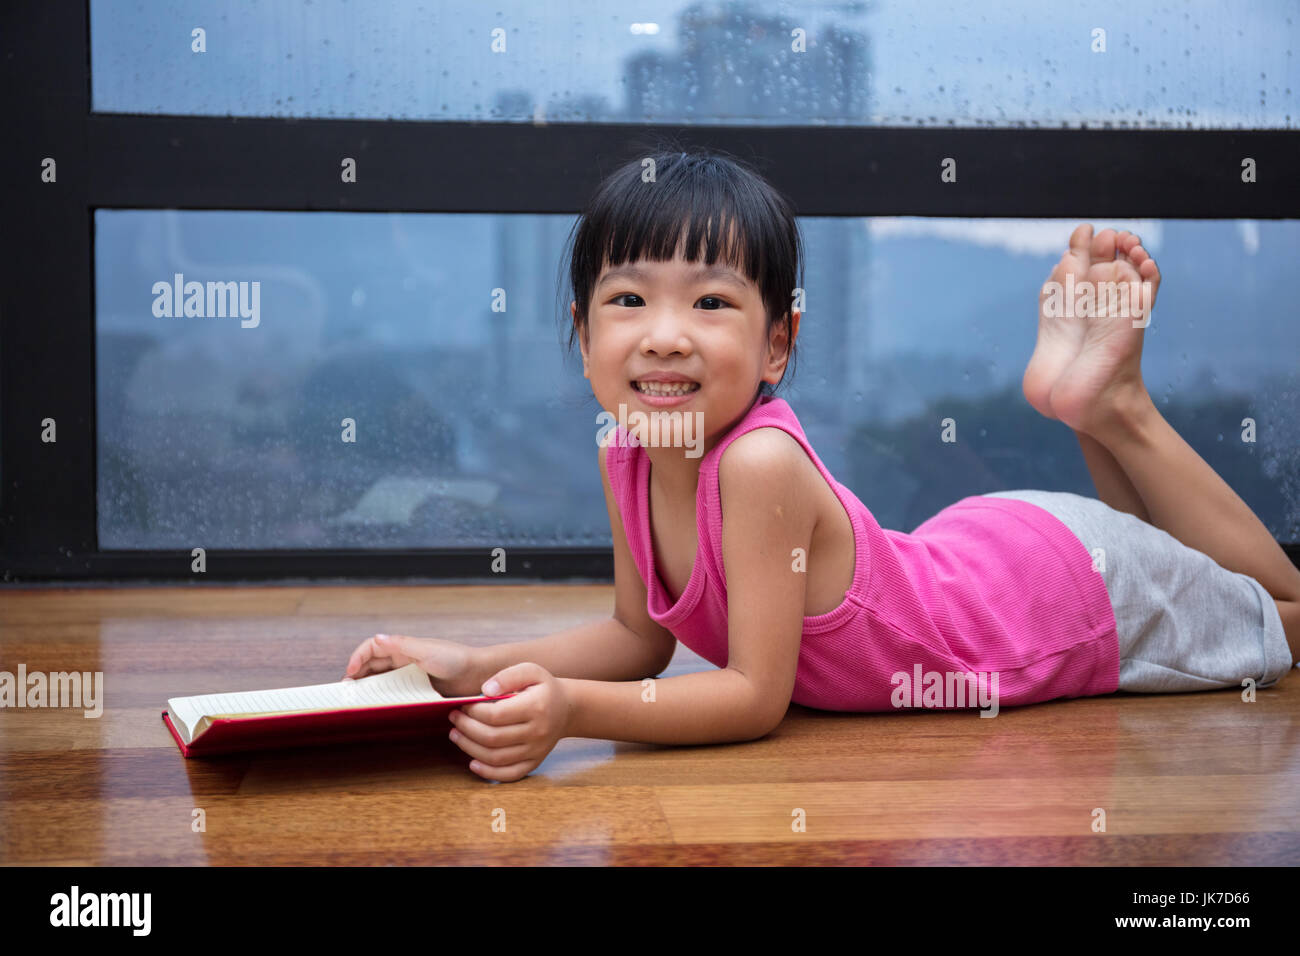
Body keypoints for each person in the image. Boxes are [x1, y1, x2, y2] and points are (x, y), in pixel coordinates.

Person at [343, 146, 1300, 782]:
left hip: (1043, 607)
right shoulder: (629, 451)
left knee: (1289, 619)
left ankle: (1116, 409)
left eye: (711, 304)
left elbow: (756, 698)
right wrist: (470, 666)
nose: (665, 336)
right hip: (975, 553)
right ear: (581, 334)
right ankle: (1095, 408)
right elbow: (639, 638)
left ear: (777, 346)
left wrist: (568, 714)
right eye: (628, 299)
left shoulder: (757, 465)